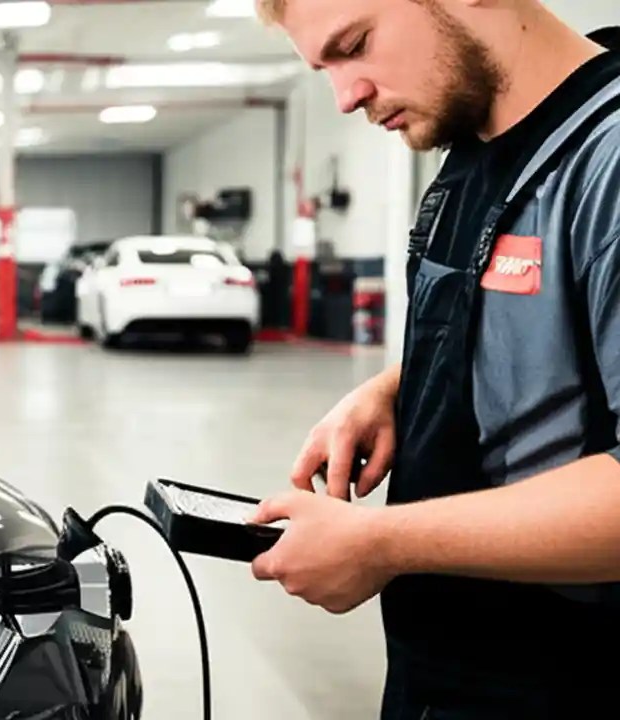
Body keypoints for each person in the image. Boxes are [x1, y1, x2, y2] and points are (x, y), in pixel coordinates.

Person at [245, 1, 620, 717]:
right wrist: (401, 387)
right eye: (326, 69)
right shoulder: (474, 151)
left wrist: (382, 544)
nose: (346, 95)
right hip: (446, 674)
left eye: (355, 46)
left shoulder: (607, 161)